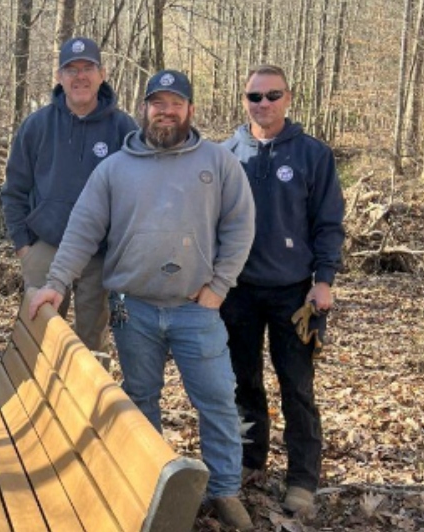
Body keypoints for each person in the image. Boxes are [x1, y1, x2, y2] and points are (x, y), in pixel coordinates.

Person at [29, 70, 256, 531]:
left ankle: (226, 490)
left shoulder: (218, 163)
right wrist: (56, 281)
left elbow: (240, 226)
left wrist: (219, 287)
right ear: (144, 108)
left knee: (216, 401)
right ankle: (152, 486)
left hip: (197, 310)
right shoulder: (114, 168)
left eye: (176, 103)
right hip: (134, 310)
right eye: (158, 103)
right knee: (140, 401)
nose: (166, 111)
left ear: (190, 110)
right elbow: (83, 229)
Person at [220, 64, 345, 514]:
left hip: (295, 294)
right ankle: (250, 461)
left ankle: (302, 481)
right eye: (255, 97)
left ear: (288, 98)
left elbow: (328, 224)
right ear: (245, 100)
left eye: (273, 95)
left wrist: (324, 281)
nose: (264, 104)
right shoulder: (225, 153)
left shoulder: (313, 154)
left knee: (297, 387)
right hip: (236, 291)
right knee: (242, 382)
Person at [1, 37, 137, 353]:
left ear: (102, 73)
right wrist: (24, 246)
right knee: (41, 337)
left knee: (92, 342)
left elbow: (137, 194)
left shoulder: (123, 128)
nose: (79, 76)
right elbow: (13, 190)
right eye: (71, 69)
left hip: (99, 254)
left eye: (87, 67)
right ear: (59, 77)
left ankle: (86, 403)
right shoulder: (37, 126)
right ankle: (40, 400)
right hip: (46, 246)